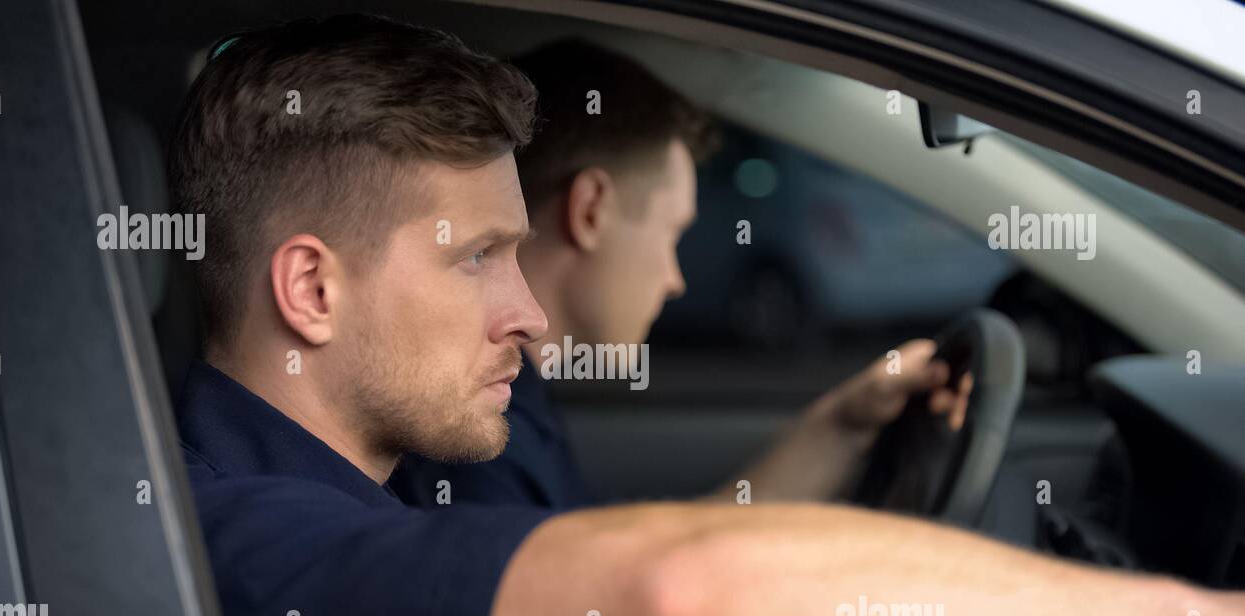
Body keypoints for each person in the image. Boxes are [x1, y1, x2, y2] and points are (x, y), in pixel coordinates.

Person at [169, 14, 1244, 616]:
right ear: (311, 289)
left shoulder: (372, 479)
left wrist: (837, 427)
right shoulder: (239, 530)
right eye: (479, 259)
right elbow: (668, 591)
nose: (531, 313)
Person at [389, 40, 970, 511]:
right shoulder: (474, 438)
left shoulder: (515, 402)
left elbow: (615, 577)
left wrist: (841, 425)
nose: (675, 279)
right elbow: (615, 599)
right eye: (672, 234)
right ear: (590, 210)